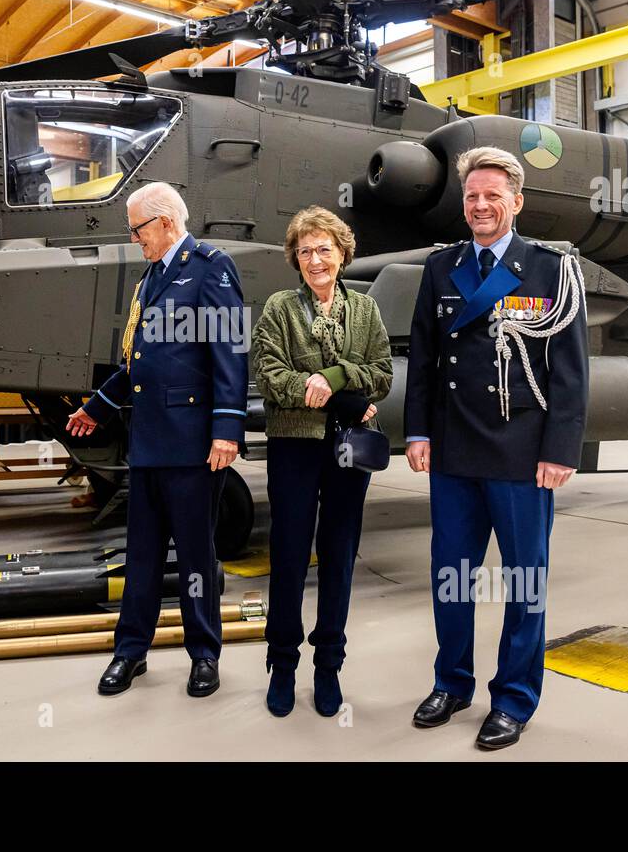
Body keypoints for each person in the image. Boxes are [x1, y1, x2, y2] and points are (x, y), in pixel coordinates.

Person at [404, 146, 588, 749]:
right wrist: (419, 431)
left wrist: (560, 450)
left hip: (521, 454)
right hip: (455, 452)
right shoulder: (442, 268)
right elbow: (425, 358)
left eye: (492, 196)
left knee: (524, 582)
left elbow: (570, 372)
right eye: (472, 197)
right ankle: (452, 682)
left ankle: (513, 698)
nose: (481, 206)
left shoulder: (551, 271)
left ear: (517, 201)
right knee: (451, 576)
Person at [66, 182, 248, 698]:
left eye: (137, 229)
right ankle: (130, 651)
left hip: (193, 444)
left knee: (195, 555)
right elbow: (136, 362)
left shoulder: (210, 267)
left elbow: (230, 352)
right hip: (148, 443)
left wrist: (227, 429)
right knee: (141, 554)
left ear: (165, 222)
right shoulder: (150, 278)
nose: (134, 238)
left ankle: (204, 654)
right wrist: (96, 407)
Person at [251, 206, 392, 718]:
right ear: (295, 257)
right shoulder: (279, 308)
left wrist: (329, 379)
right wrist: (340, 394)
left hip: (349, 450)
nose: (315, 259)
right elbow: (269, 376)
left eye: (324, 249)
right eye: (305, 251)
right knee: (288, 555)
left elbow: (381, 373)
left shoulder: (366, 311)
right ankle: (282, 662)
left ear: (342, 253)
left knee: (339, 554)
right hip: (294, 445)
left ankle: (328, 663)